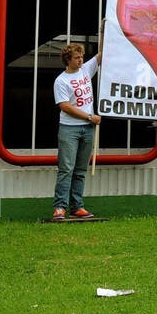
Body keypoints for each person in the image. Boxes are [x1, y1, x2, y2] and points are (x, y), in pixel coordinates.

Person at [53, 28, 102, 220]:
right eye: (77, 57)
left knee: (81, 169)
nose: (81, 60)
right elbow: (65, 106)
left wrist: (105, 30)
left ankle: (77, 206)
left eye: (81, 56)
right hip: (69, 128)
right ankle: (60, 207)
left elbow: (101, 55)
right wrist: (89, 117)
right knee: (66, 168)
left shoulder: (85, 71)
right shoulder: (61, 81)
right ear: (68, 59)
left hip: (87, 129)